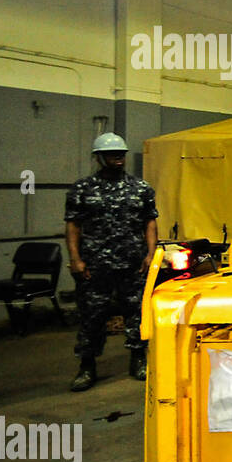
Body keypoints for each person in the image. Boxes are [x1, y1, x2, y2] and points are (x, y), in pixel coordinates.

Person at [65, 133, 158, 391]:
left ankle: (138, 360)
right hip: (95, 267)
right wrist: (75, 258)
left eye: (121, 153)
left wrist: (151, 255)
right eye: (112, 153)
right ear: (99, 157)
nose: (118, 157)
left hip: (133, 264)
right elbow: (73, 225)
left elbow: (149, 222)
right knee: (92, 317)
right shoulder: (82, 189)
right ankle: (87, 367)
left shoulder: (140, 188)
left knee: (137, 315)